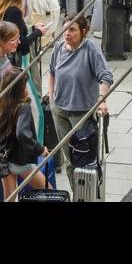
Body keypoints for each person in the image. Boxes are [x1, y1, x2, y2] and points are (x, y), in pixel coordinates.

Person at [43, 17, 113, 173]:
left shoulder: (90, 49)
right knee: (70, 160)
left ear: (83, 32)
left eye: (72, 30)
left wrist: (101, 100)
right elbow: (52, 72)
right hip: (59, 110)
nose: (67, 33)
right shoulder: (59, 48)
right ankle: (77, 195)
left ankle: (86, 194)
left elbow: (106, 76)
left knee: (83, 161)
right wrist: (52, 96)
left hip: (82, 113)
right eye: (65, 29)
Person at [0, 67, 48, 200]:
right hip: (21, 161)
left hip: (3, 159)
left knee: (9, 198)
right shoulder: (23, 108)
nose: (27, 89)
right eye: (25, 86)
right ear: (19, 89)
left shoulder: (1, 105)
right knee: (49, 193)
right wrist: (39, 149)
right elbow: (22, 134)